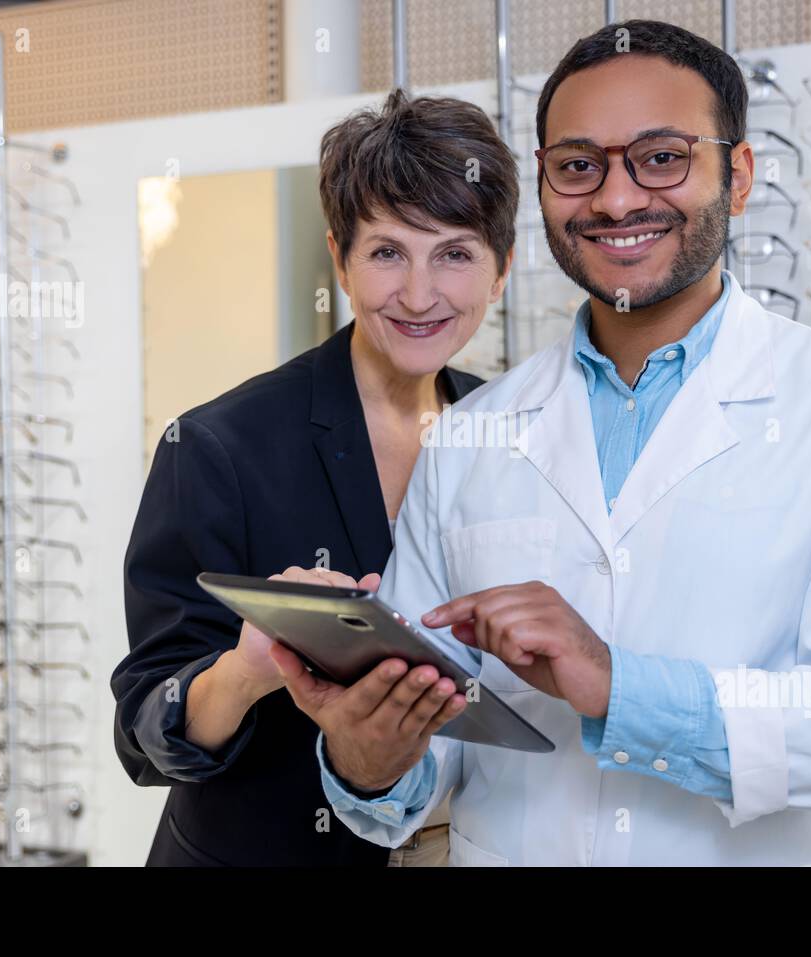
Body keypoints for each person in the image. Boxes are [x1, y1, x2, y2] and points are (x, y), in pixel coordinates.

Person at [272, 19, 811, 866]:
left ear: (740, 175)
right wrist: (369, 756)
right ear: (543, 187)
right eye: (578, 166)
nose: (613, 199)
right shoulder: (468, 437)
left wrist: (619, 684)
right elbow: (430, 754)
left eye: (662, 157)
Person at [110, 89, 518, 865]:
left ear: (500, 271)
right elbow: (142, 728)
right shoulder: (217, 447)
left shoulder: (518, 439)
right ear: (340, 255)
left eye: (456, 253)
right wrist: (243, 670)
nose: (421, 294)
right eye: (388, 251)